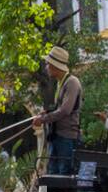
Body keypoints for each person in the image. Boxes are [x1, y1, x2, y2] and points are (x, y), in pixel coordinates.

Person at [32, 46, 83, 175]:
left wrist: (43, 119)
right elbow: (59, 108)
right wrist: (48, 113)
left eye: (48, 64)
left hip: (67, 137)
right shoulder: (60, 83)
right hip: (57, 136)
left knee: (64, 175)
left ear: (55, 66)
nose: (46, 67)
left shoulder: (72, 82)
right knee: (52, 174)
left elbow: (65, 110)